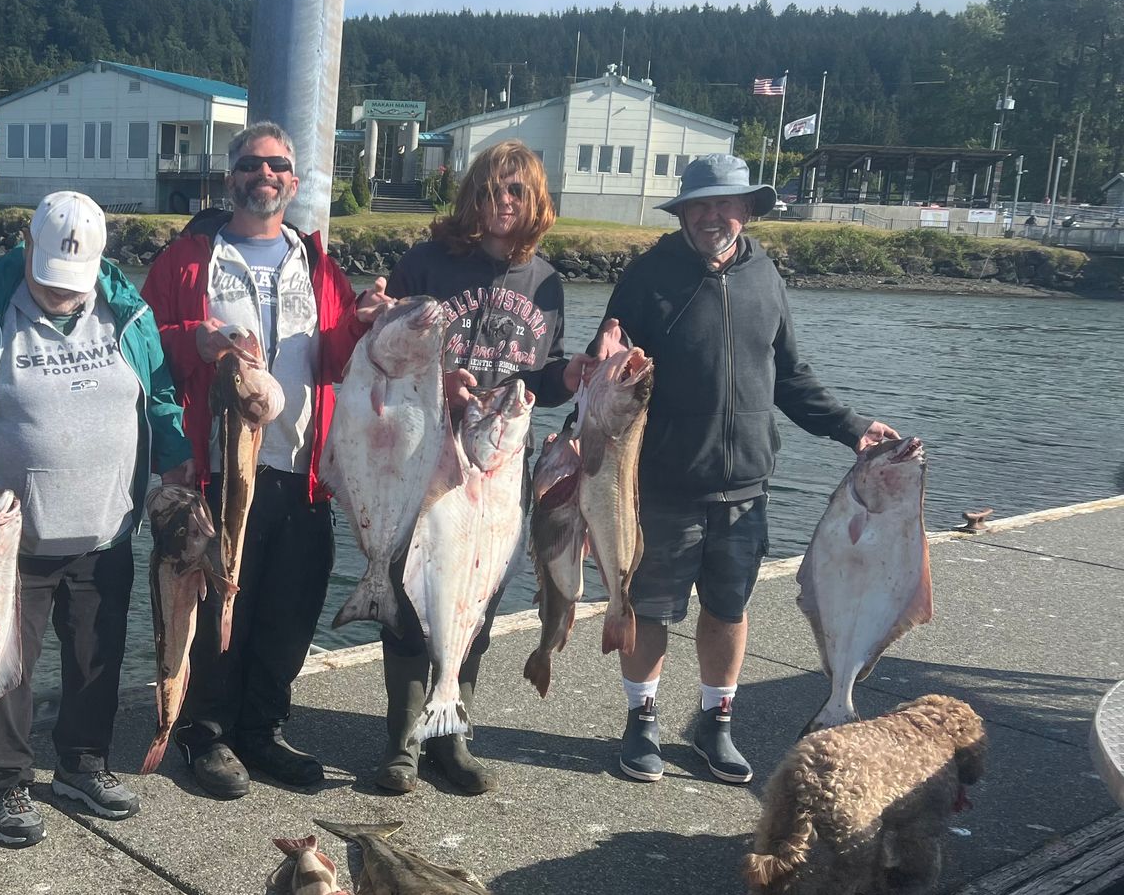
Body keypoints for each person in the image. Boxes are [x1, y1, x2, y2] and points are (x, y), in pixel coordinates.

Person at [591, 152, 898, 785]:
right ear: (682, 213)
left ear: (747, 210)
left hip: (746, 487)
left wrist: (850, 427)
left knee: (728, 610)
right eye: (698, 205)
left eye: (724, 203)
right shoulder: (648, 278)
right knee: (651, 610)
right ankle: (641, 722)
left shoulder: (766, 277)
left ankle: (715, 722)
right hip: (664, 484)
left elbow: (788, 374)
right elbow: (608, 377)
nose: (712, 215)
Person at [0, 191, 193, 845]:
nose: (62, 293)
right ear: (27, 245)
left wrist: (176, 461)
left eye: (75, 283)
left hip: (106, 529)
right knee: (3, 668)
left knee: (97, 657)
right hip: (11, 540)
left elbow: (162, 400)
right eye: (49, 279)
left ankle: (81, 762)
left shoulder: (130, 313)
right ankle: (4, 780)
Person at [360, 140, 596, 794]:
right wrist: (437, 379)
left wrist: (569, 376)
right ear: (474, 196)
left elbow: (542, 384)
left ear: (534, 202)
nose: (503, 203)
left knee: (478, 605)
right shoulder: (425, 264)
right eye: (493, 191)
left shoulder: (544, 281)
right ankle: (403, 744)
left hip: (497, 475)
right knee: (413, 602)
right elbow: (384, 352)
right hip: (422, 465)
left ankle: (451, 736)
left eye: (517, 192)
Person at [142, 122, 367, 799]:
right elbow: (141, 347)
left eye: (277, 166)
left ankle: (263, 729)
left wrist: (370, 321)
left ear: (293, 184)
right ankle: (204, 734)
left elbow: (337, 356)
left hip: (302, 475)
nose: (262, 174)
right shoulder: (187, 260)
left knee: (288, 610)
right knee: (213, 611)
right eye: (249, 164)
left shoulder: (317, 264)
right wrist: (197, 340)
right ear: (230, 175)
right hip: (214, 472)